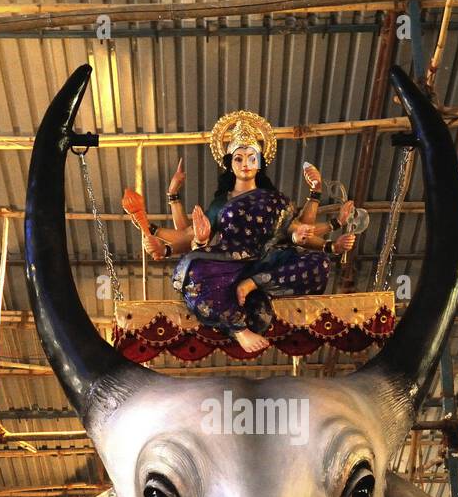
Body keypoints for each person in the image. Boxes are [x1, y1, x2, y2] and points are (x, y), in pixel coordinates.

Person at [142, 110, 357, 354]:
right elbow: (188, 235)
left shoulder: (276, 200)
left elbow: (299, 231)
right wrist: (163, 242)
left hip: (267, 264)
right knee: (194, 270)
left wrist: (319, 225)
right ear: (230, 164)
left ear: (260, 162)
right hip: (229, 262)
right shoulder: (221, 203)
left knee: (320, 265)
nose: (245, 163)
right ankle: (239, 329)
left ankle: (251, 285)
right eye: (239, 158)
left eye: (251, 157)